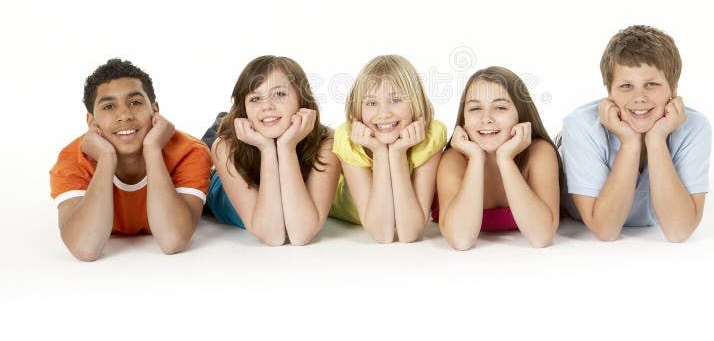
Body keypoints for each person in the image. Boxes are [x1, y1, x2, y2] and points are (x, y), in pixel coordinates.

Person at [559, 25, 711, 242]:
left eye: (651, 84)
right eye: (626, 85)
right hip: (577, 217)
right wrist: (630, 143)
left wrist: (656, 140)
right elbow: (606, 230)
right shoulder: (579, 125)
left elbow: (678, 232)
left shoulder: (695, 126)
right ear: (609, 91)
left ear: (673, 90)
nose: (639, 97)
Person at [50, 58, 212, 261]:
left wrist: (152, 148)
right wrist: (106, 158)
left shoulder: (190, 152)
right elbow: (85, 248)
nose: (124, 115)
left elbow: (172, 240)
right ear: (91, 121)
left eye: (135, 103)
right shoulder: (72, 160)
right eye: (109, 107)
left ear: (155, 110)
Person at [203, 56, 340, 246]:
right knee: (208, 145)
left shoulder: (327, 141)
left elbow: (301, 234)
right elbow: (273, 236)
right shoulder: (224, 147)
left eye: (280, 94)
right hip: (227, 175)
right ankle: (224, 120)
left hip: (267, 130)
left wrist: (286, 147)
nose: (267, 106)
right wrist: (267, 149)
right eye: (255, 98)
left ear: (302, 99)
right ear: (244, 108)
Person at [434, 67, 560, 250]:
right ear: (464, 119)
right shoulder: (454, 160)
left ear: (520, 113)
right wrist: (476, 158)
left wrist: (505, 159)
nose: (486, 118)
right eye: (475, 108)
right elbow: (461, 240)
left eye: (500, 107)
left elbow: (541, 237)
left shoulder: (540, 153)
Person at [329, 55, 446, 243]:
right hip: (337, 207)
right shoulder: (347, 138)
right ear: (357, 109)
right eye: (371, 103)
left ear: (416, 103)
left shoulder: (431, 134)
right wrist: (379, 152)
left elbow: (409, 233)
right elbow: (382, 234)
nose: (383, 113)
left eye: (395, 100)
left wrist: (397, 154)